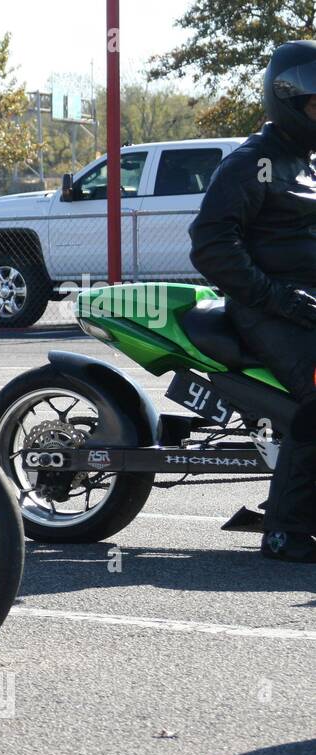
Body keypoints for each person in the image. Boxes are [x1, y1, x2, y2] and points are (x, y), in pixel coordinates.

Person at [189, 39, 316, 562]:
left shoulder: (306, 163)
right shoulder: (251, 163)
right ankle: (285, 531)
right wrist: (279, 298)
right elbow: (211, 244)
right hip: (266, 310)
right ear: (288, 99)